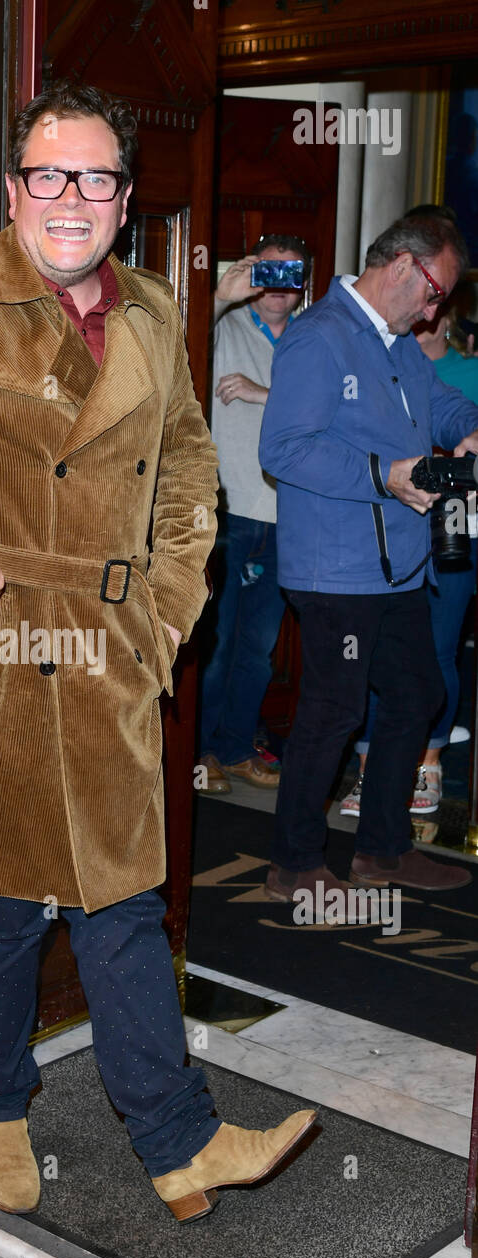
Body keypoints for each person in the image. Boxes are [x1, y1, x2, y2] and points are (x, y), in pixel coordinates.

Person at [0, 82, 315, 1224]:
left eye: (94, 178)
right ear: (17, 189)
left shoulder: (146, 311)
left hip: (111, 655)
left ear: (124, 201)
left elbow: (187, 464)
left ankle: (177, 1142)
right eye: (47, 175)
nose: (69, 198)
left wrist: (171, 605)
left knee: (124, 902)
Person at [260, 214, 478, 907]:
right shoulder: (318, 338)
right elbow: (283, 451)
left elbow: (437, 402)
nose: (435, 308)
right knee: (333, 709)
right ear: (405, 266)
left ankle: (382, 851)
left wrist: (468, 426)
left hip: (398, 569)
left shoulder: (398, 343)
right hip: (336, 569)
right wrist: (384, 471)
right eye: (436, 291)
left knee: (419, 691)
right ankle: (293, 865)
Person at [341, 288, 478, 817]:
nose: (421, 316)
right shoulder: (386, 362)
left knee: (440, 646)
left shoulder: (465, 372)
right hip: (394, 523)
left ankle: (429, 762)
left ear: (443, 314)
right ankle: (372, 768)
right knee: (384, 653)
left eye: (431, 306)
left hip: (459, 523)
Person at [199, 234, 310, 794]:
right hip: (228, 510)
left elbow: (329, 409)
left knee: (259, 651)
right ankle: (200, 757)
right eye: (266, 272)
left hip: (286, 515)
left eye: (289, 274)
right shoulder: (221, 324)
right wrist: (220, 294)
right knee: (214, 646)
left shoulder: (311, 341)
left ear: (303, 282)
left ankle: (237, 749)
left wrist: (263, 392)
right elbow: (175, 332)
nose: (277, 287)